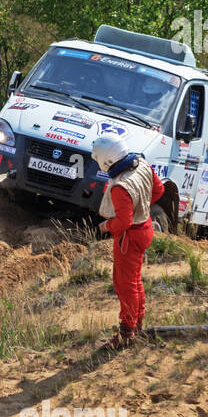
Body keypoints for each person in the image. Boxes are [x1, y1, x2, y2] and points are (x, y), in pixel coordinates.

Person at [91, 133, 165, 348]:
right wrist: (141, 204)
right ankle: (137, 325)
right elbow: (159, 190)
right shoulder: (142, 164)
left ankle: (127, 332)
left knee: (125, 284)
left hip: (129, 236)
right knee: (134, 281)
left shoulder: (120, 187)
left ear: (107, 160)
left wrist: (106, 226)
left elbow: (123, 222)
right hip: (145, 228)